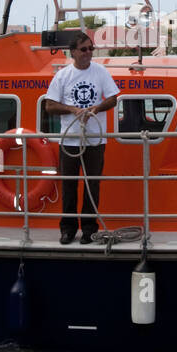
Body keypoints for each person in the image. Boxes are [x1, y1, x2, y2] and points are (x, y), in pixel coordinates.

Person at [42, 32, 120, 244]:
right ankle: (67, 229)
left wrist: (96, 108)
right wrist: (72, 110)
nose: (88, 53)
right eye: (84, 49)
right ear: (73, 52)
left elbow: (113, 98)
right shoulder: (63, 76)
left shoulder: (100, 72)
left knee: (91, 185)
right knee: (69, 185)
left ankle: (88, 229)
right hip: (70, 141)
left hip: (95, 140)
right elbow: (49, 105)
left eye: (91, 48)